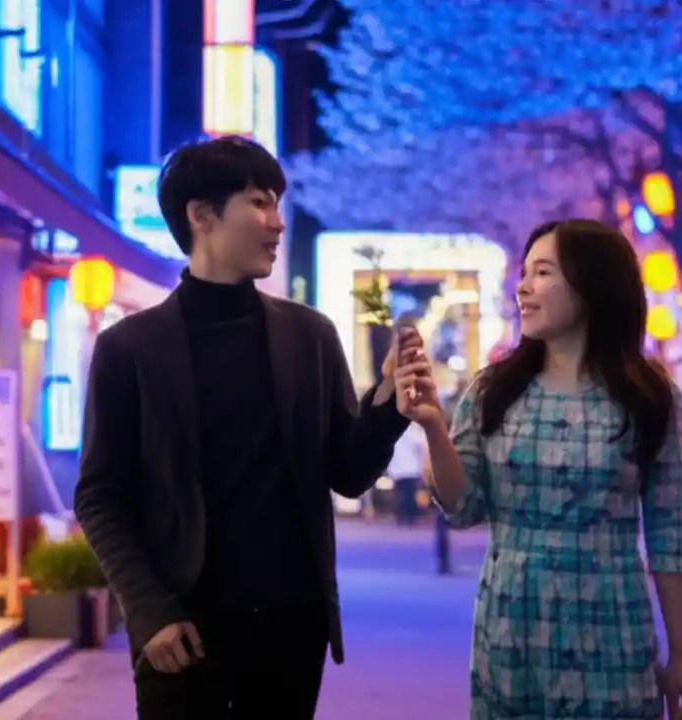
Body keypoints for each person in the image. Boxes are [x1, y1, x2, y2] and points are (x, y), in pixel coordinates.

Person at [74, 137, 425, 718]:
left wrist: (388, 403)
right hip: (181, 628)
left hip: (292, 622)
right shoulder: (129, 349)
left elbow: (348, 472)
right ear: (201, 214)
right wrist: (148, 609)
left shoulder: (309, 335)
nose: (277, 224)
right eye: (260, 203)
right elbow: (99, 495)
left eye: (278, 206)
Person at [398, 219, 682, 719]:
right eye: (524, 272)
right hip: (509, 629)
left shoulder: (649, 397)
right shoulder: (494, 389)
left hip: (613, 631)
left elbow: (671, 533)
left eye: (543, 273)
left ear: (592, 286)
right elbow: (463, 505)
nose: (523, 287)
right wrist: (433, 425)